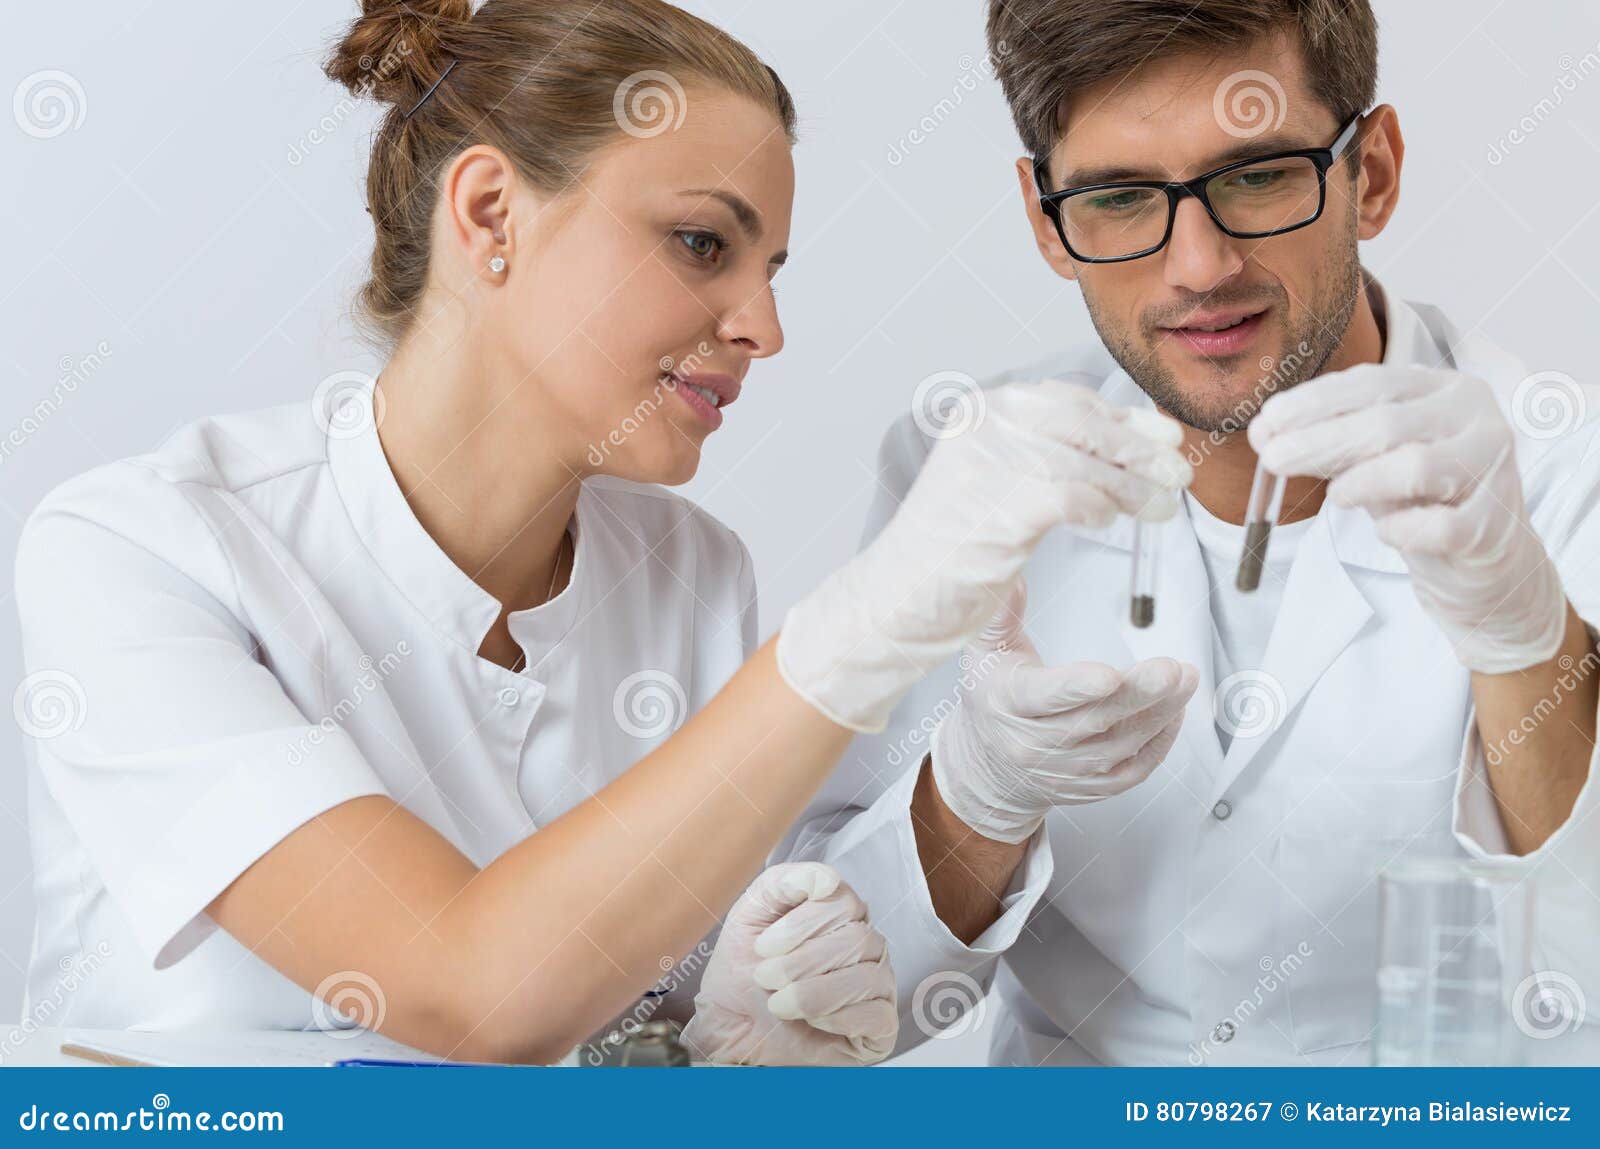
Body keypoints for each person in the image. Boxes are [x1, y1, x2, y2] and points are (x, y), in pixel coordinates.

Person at [12, 0, 1190, 1065]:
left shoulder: (686, 573)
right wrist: (857, 629)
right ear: (489, 213)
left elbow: (776, 977)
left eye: (772, 267)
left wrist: (977, 793)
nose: (765, 326)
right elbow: (467, 987)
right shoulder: (141, 549)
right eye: (701, 243)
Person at [785, 0, 1600, 1065]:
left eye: (1257, 175)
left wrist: (1524, 638)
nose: (1199, 267)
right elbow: (837, 1012)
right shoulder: (970, 468)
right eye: (1120, 198)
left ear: (1376, 170)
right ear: (1044, 218)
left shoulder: (1558, 466)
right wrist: (975, 793)